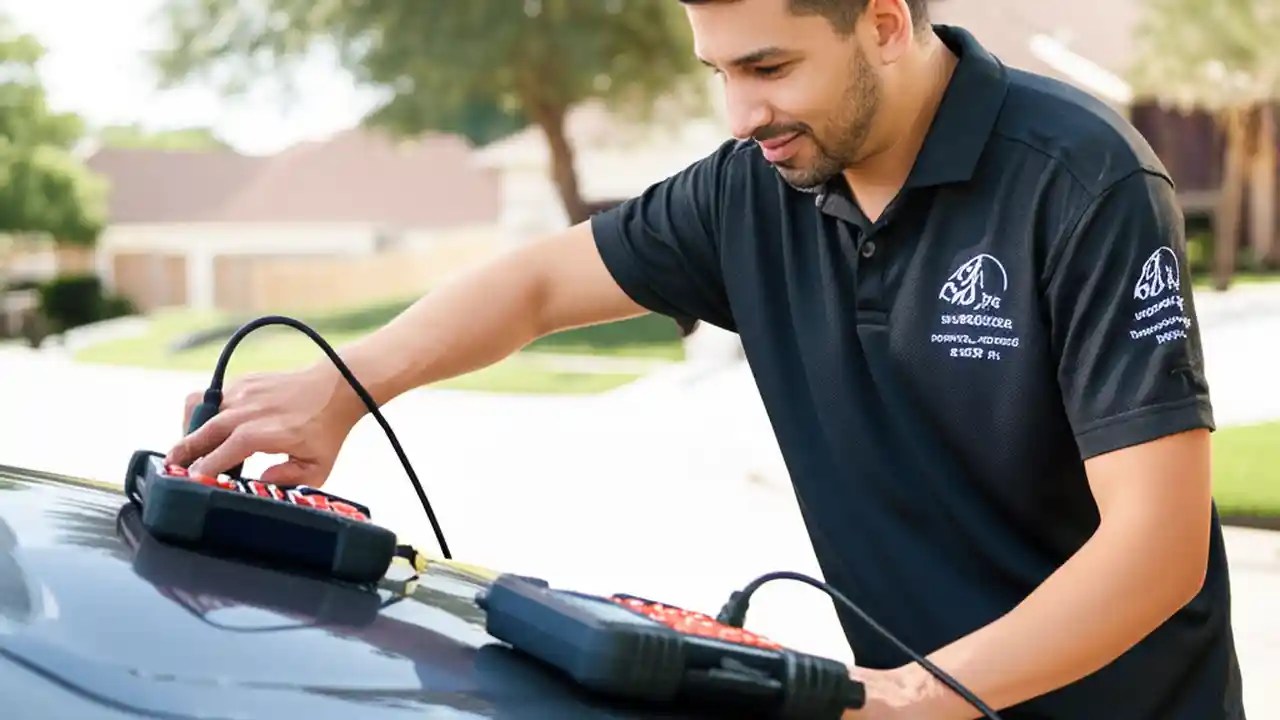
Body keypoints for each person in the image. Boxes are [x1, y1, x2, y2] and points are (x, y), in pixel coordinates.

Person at [164, 0, 1245, 717]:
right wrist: (341, 389)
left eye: (769, 66)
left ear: (879, 22)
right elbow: (538, 283)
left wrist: (909, 701)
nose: (740, 113)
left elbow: (1155, 553)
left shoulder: (1079, 178)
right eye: (717, 71)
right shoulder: (749, 187)